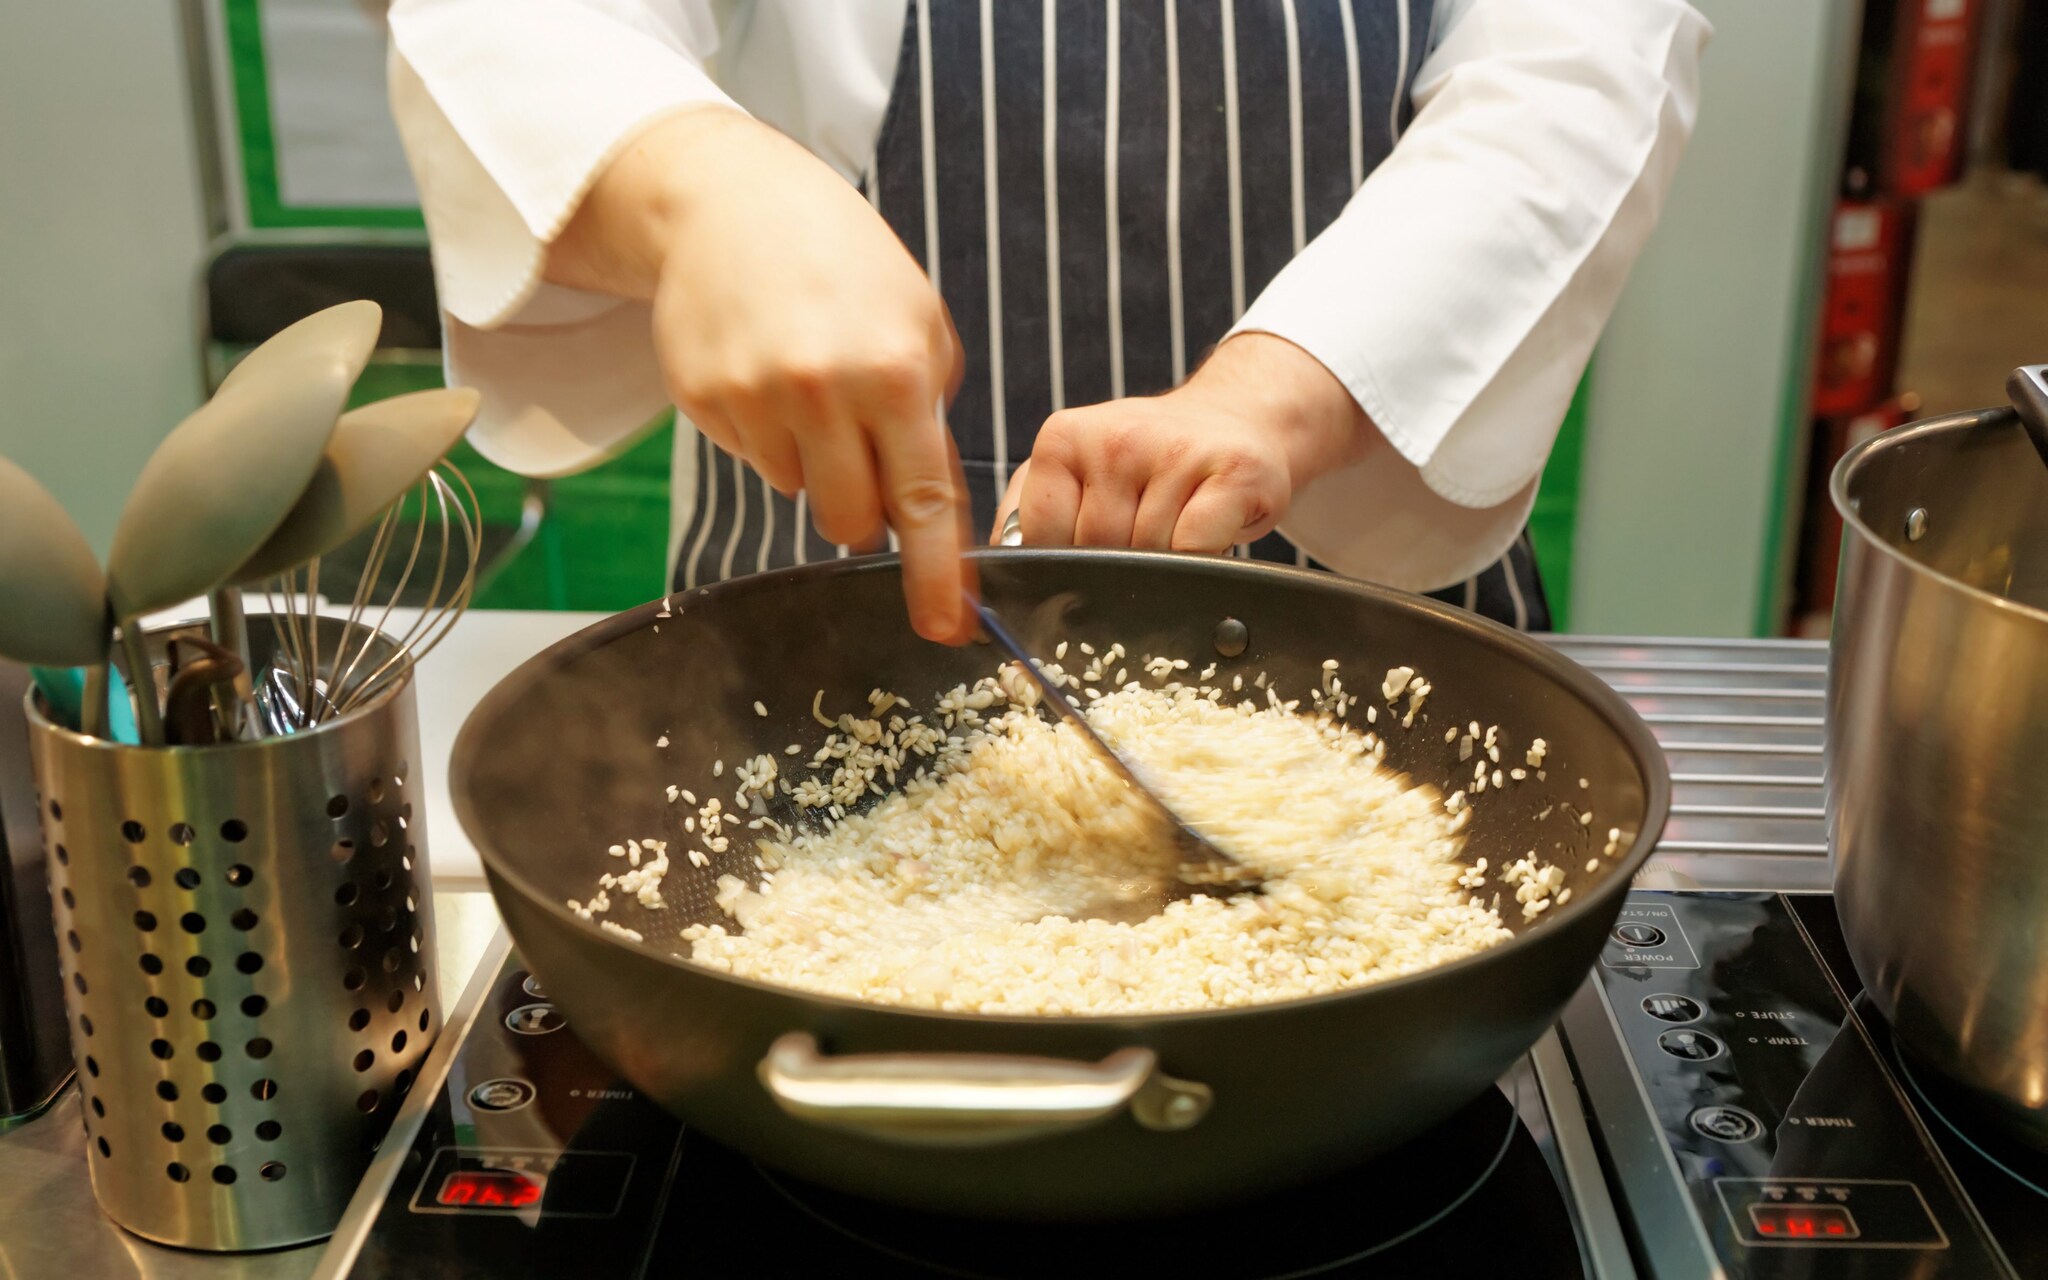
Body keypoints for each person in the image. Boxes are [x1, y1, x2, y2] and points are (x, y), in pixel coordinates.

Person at [386, 0, 1708, 644]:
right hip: (816, 597)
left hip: (1375, 609)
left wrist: (1283, 394)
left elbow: (1580, 69)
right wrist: (698, 189)